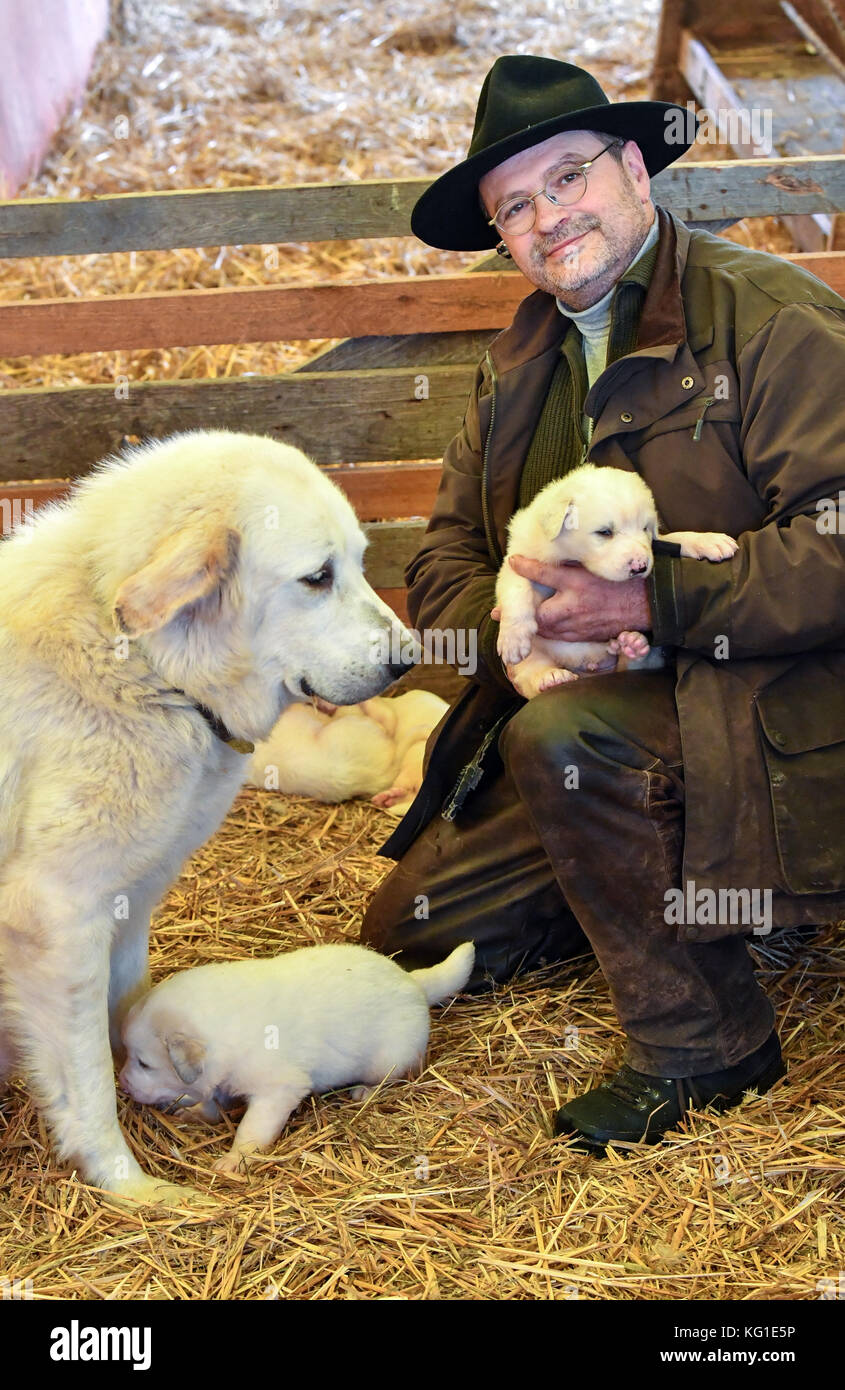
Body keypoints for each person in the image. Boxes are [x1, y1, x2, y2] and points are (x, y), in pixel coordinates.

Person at [359, 55, 845, 1151]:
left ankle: (705, 1047)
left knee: (571, 732)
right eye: (513, 208)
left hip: (775, 701)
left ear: (631, 167)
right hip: (590, 715)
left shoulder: (762, 319)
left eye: (566, 177)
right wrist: (526, 619)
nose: (546, 218)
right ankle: (643, 862)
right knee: (405, 932)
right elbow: (441, 559)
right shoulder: (515, 366)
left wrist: (653, 599)